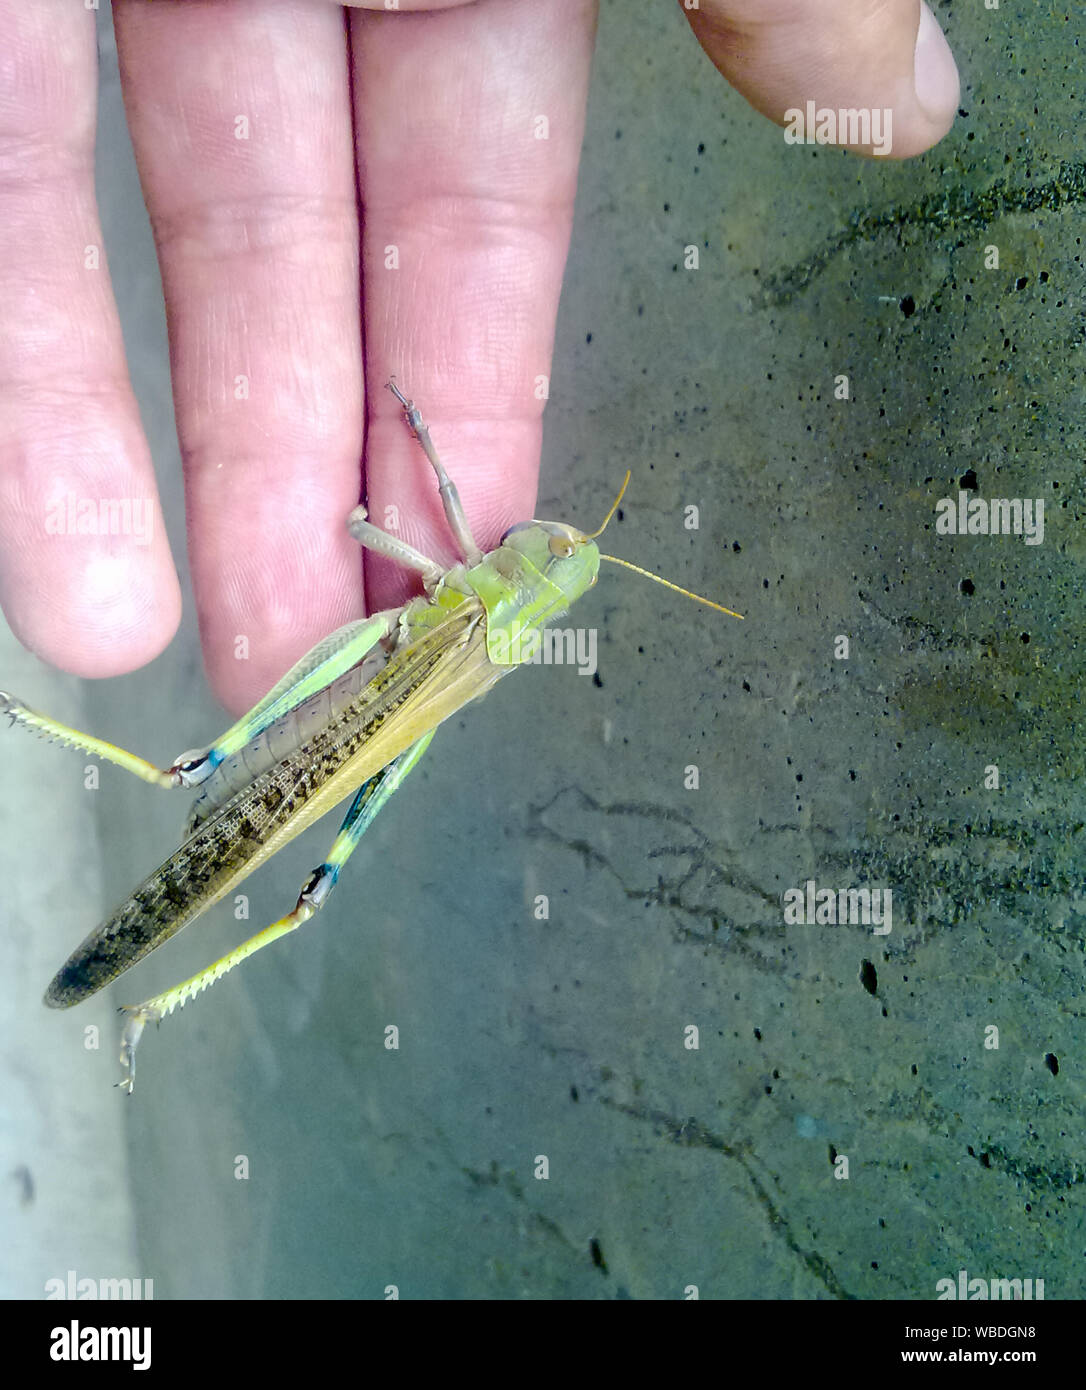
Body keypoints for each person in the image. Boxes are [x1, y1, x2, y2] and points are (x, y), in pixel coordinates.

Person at [0, 0, 958, 714]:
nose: (547, 541)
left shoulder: (478, 611)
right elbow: (416, 528)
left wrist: (407, 457)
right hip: (402, 662)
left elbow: (430, 526)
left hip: (399, 683)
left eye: (557, 554)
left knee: (259, 785)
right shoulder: (491, 607)